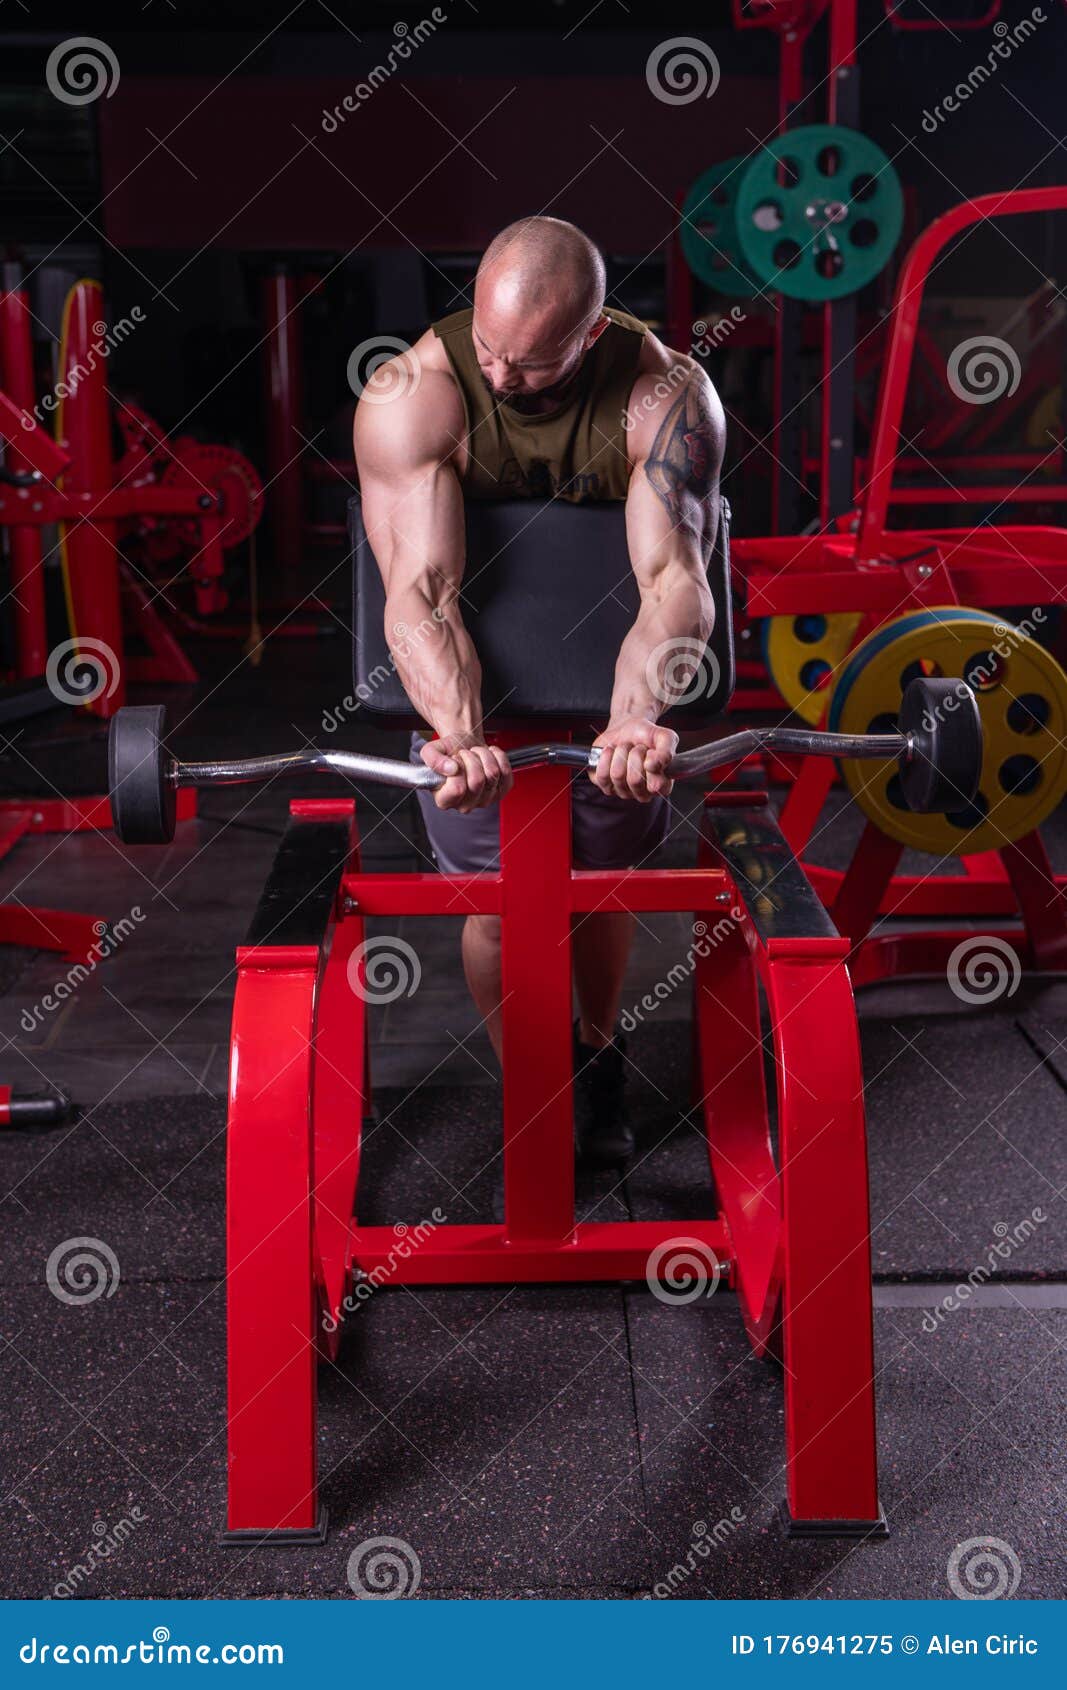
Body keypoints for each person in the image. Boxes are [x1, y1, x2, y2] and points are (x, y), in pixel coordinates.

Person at [353, 216, 725, 1164]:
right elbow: (420, 593)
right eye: (490, 351)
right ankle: (533, 1068)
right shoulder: (412, 393)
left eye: (534, 364)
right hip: (475, 689)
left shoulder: (666, 397)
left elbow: (674, 581)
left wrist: (637, 723)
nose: (506, 379)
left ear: (591, 334)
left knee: (598, 891)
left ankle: (597, 1047)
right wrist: (456, 735)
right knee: (497, 903)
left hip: (610, 690)